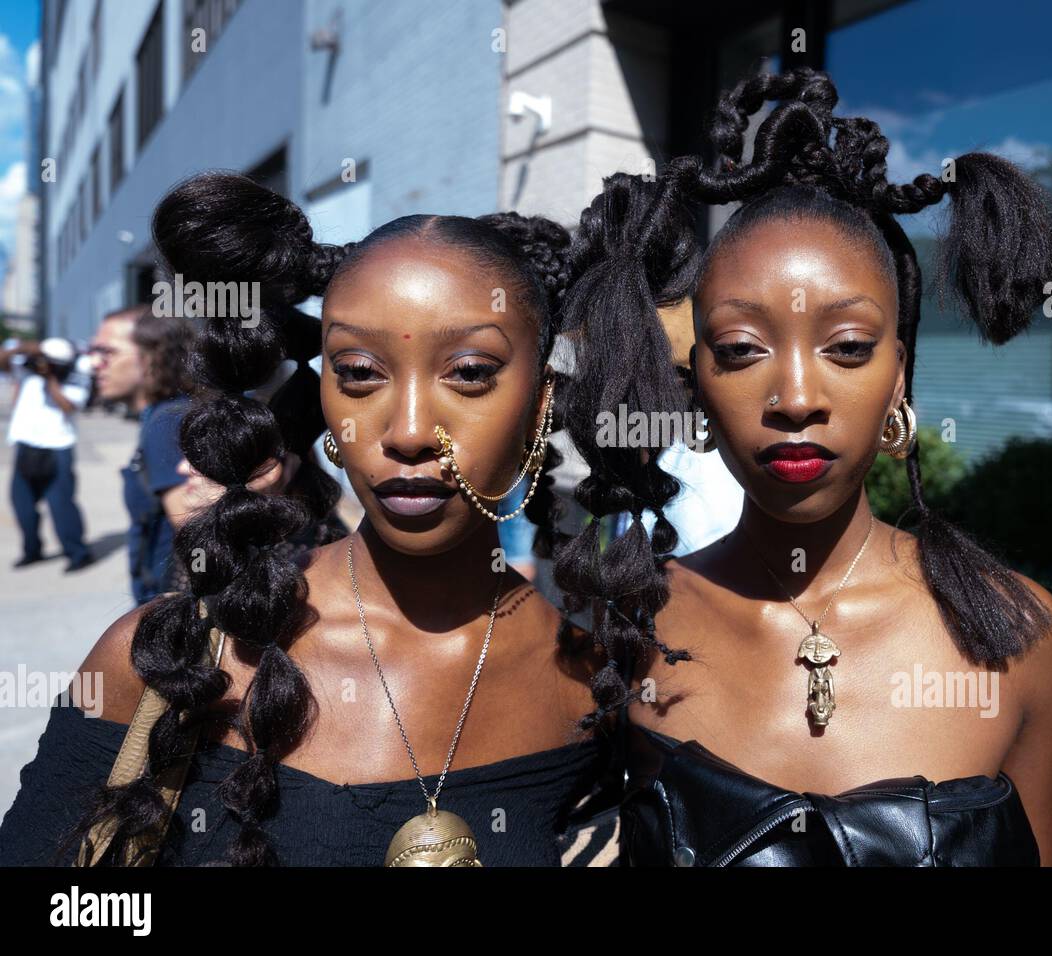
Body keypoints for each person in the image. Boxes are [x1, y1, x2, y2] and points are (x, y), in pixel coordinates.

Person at [0, 172, 607, 866]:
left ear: (540, 402)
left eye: (469, 372)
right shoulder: (172, 659)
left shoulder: (594, 684)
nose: (408, 431)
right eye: (359, 371)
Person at [557, 69, 1052, 866]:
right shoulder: (630, 628)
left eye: (847, 348)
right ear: (697, 382)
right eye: (740, 351)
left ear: (898, 375)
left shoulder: (1017, 632)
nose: (796, 397)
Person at [88, 306, 195, 604]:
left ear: (151, 357)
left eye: (107, 352)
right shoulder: (162, 414)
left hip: (166, 606)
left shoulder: (166, 423)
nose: (94, 363)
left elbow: (196, 536)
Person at [2, 337, 94, 572]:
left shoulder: (75, 373)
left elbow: (69, 406)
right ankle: (32, 550)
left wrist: (49, 377)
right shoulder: (27, 367)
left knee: (61, 506)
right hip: (26, 445)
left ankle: (78, 553)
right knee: (21, 504)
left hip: (57, 446)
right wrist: (24, 348)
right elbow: (3, 360)